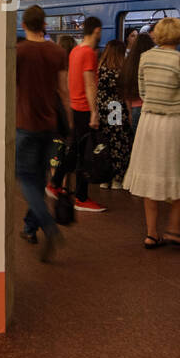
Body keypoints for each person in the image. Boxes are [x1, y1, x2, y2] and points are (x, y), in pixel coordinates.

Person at [124, 17, 180, 249]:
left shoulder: (146, 58)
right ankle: (175, 230)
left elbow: (143, 90)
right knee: (179, 174)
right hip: (174, 123)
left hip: (149, 122)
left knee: (150, 176)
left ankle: (151, 234)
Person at [16, 5, 71, 261]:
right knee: (38, 179)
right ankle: (29, 228)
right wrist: (69, 124)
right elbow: (63, 91)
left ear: (24, 25)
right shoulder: (58, 51)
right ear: (45, 25)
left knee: (26, 178)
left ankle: (48, 226)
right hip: (49, 125)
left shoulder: (18, 52)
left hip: (24, 124)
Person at [65, 16, 107, 214]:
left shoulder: (75, 51)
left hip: (75, 106)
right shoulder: (89, 53)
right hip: (84, 109)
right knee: (85, 156)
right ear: (97, 31)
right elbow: (90, 85)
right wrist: (94, 113)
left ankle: (60, 186)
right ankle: (81, 197)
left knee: (76, 151)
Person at [94, 39, 132, 190]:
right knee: (118, 143)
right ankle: (116, 179)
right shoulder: (121, 71)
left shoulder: (100, 69)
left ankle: (104, 178)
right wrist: (129, 113)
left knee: (104, 143)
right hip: (115, 108)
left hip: (101, 107)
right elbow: (125, 95)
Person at [122, 30, 154, 132]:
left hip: (135, 108)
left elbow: (126, 89)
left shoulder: (129, 63)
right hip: (151, 108)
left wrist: (129, 112)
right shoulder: (152, 63)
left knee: (137, 144)